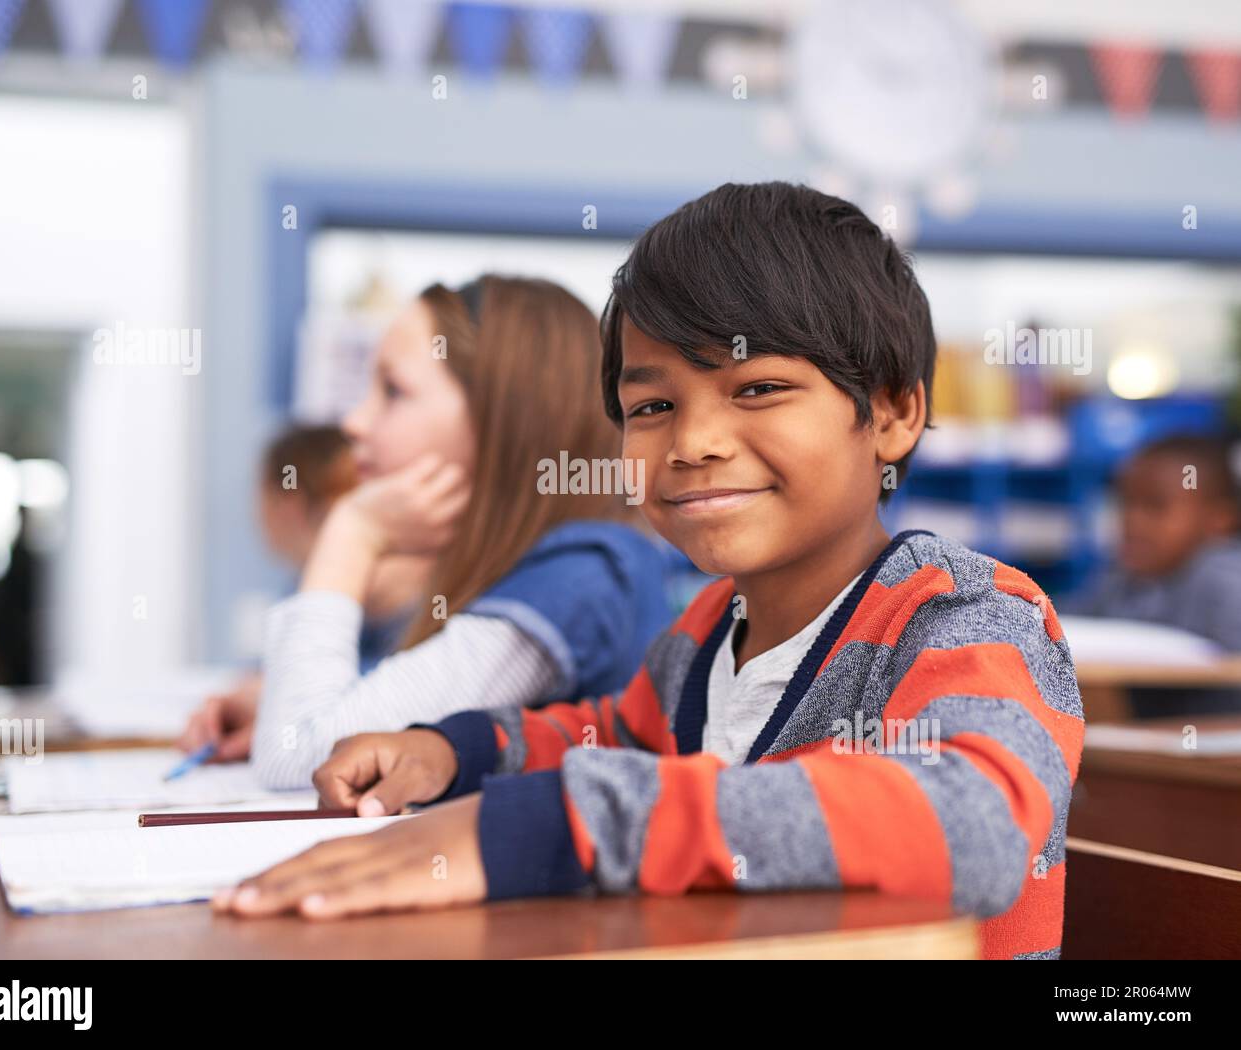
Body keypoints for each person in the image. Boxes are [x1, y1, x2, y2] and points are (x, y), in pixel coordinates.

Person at [213, 183, 1083, 961]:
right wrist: (456, 749)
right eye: (652, 406)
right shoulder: (701, 635)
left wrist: (569, 823)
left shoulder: (972, 616)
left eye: (757, 389)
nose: (694, 442)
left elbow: (970, 823)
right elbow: (611, 737)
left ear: (893, 413)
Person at [199, 275, 672, 787]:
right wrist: (273, 702)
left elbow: (299, 759)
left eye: (393, 390)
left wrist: (351, 537)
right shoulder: (528, 565)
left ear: (501, 421)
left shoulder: (582, 579)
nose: (355, 422)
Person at [180, 424, 433, 760]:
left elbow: (406, 690)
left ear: (286, 504)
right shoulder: (307, 584)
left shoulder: (392, 590)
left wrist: (273, 696)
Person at [1068, 433, 1241, 716]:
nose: (1133, 521)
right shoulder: (1121, 576)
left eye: (1155, 507)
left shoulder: (1224, 578)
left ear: (1218, 520)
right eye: (1126, 504)